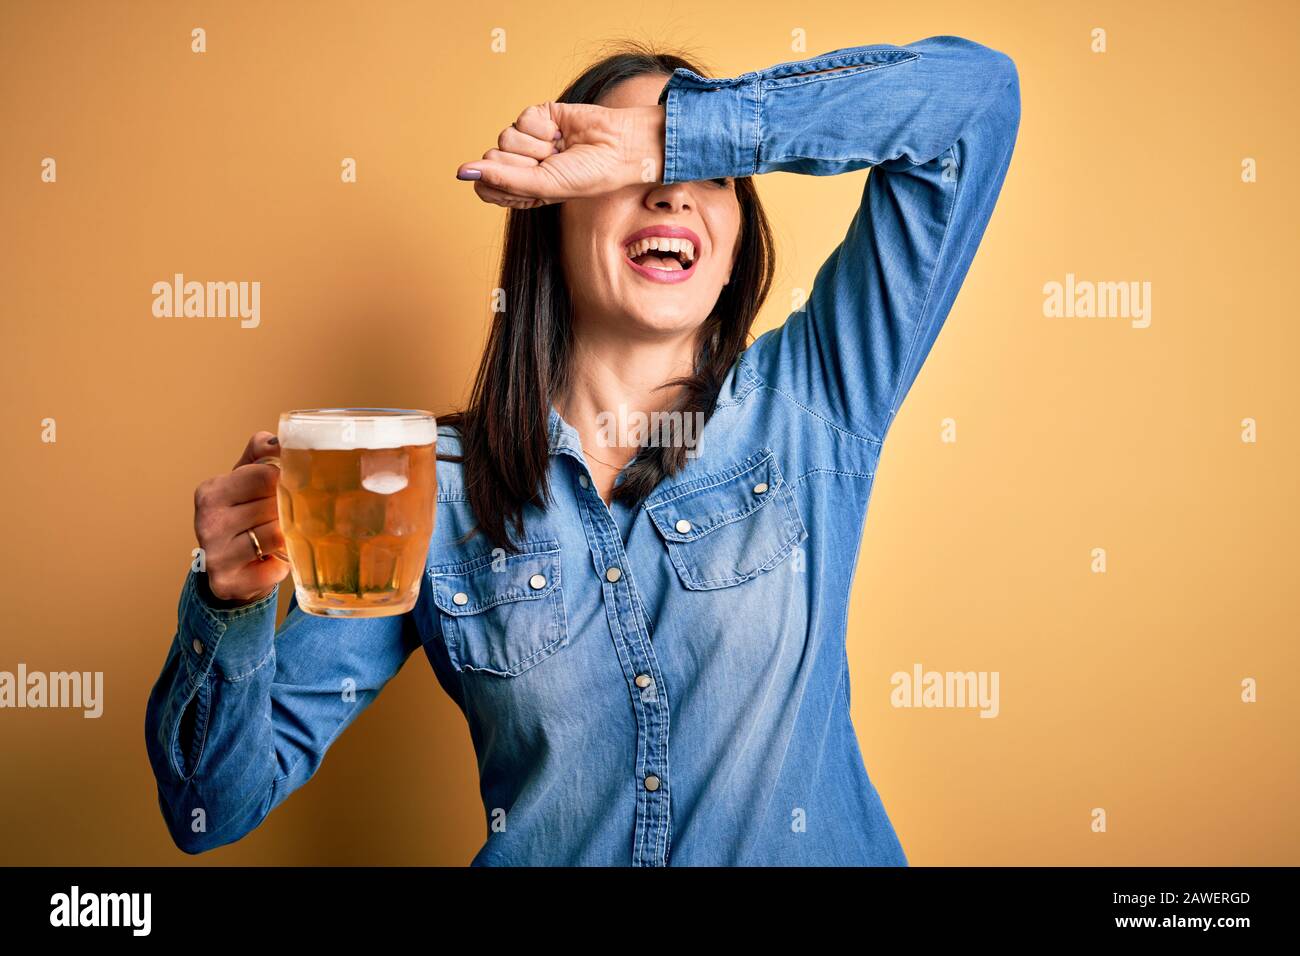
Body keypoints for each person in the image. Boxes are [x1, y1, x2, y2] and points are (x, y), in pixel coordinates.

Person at [145, 34, 1020, 865]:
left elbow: (975, 100)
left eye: (701, 174)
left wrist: (665, 136)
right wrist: (228, 606)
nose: (672, 190)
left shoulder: (815, 397)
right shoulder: (431, 488)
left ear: (735, 247)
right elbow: (209, 810)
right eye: (635, 172)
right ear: (550, 216)